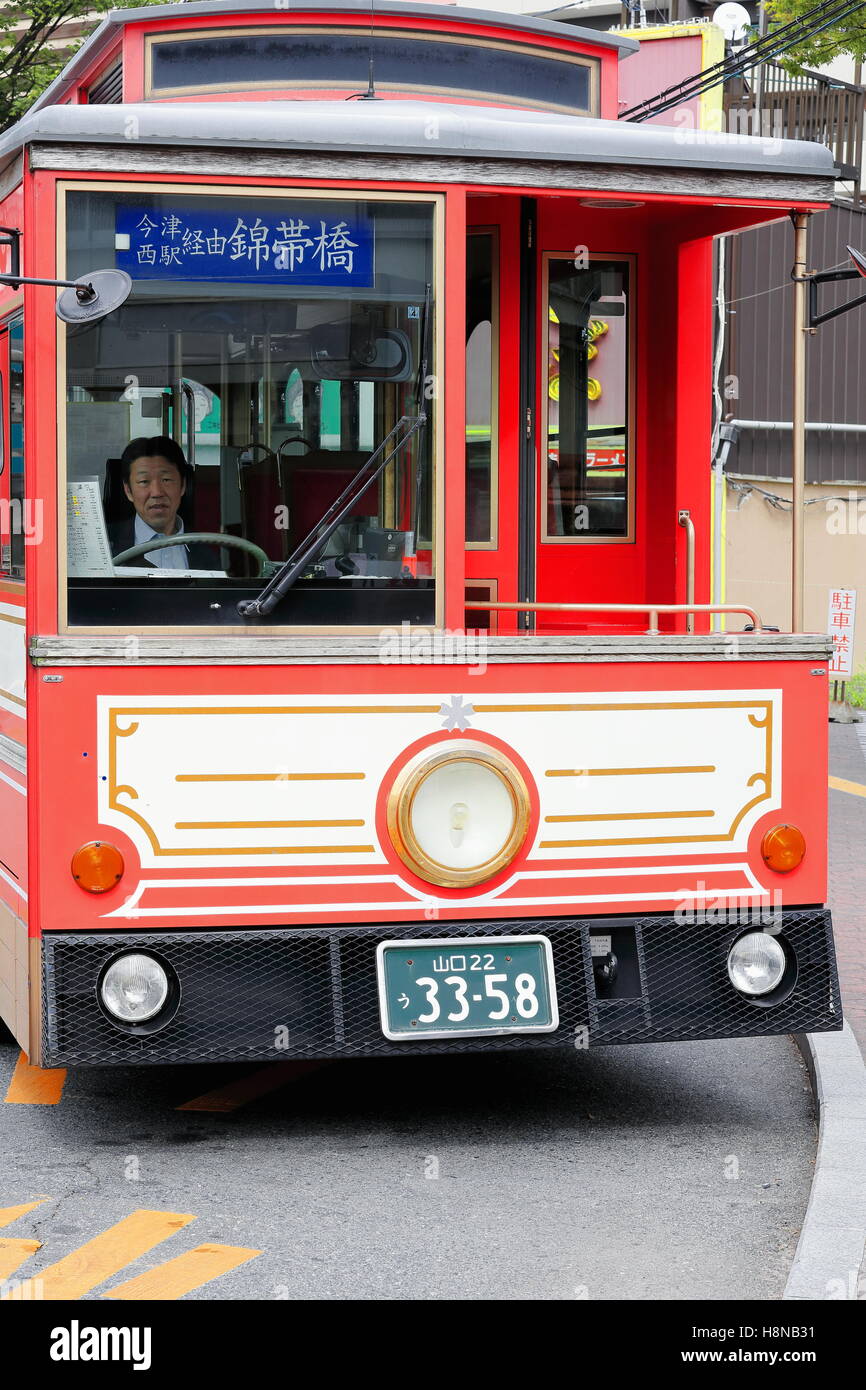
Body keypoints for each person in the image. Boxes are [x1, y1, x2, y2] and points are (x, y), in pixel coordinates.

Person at [108, 437, 221, 570]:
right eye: (144, 481)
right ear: (128, 491)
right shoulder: (105, 545)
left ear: (183, 486)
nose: (156, 492)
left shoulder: (208, 555)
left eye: (166, 480)